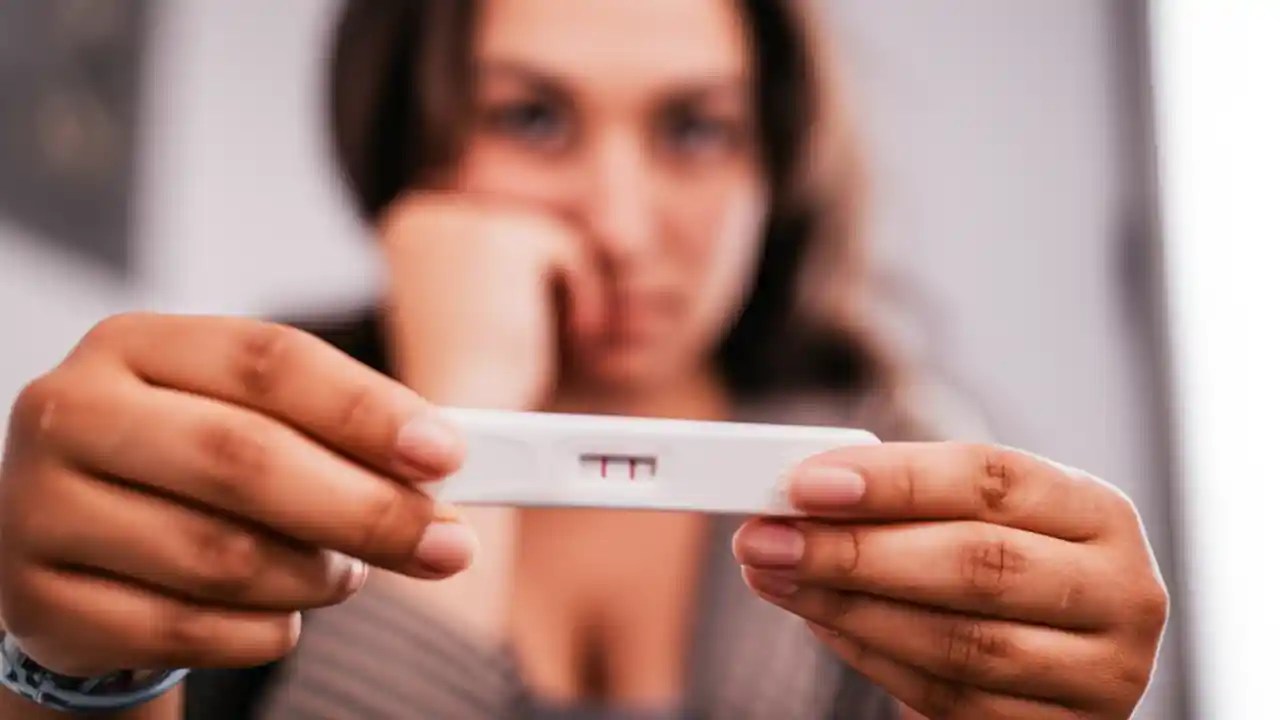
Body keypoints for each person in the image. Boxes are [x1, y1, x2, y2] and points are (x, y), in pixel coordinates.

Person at [0, 0, 1169, 718]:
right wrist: (69, 678)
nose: (618, 221)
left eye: (694, 130)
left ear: (772, 169)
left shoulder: (907, 493)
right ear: (410, 139)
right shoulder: (254, 454)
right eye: (533, 118)